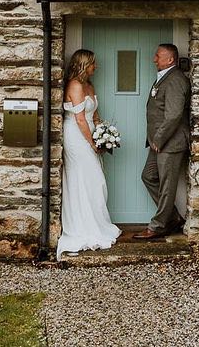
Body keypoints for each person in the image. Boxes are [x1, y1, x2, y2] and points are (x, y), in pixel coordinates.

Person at [56, 49, 120, 257]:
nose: (96, 66)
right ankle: (82, 226)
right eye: (93, 63)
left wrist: (103, 134)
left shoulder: (89, 85)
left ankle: (98, 222)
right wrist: (92, 143)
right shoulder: (75, 85)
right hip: (77, 137)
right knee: (84, 179)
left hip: (90, 134)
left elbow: (95, 115)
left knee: (95, 181)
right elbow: (80, 119)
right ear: (84, 65)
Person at [134, 43, 191, 240]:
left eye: (158, 56)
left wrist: (159, 138)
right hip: (159, 143)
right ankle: (172, 218)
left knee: (167, 186)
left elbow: (174, 115)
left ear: (170, 59)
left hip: (170, 142)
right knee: (149, 176)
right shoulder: (165, 77)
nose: (154, 59)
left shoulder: (176, 79)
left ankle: (158, 226)